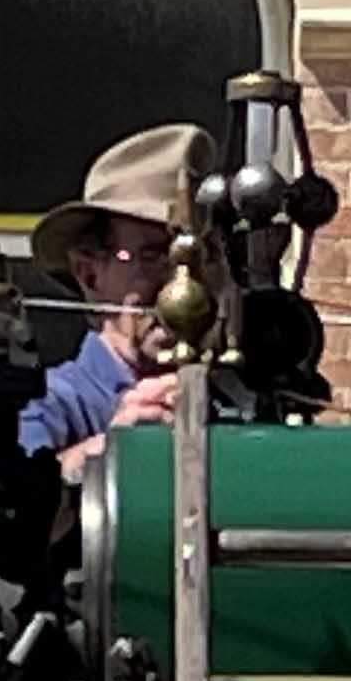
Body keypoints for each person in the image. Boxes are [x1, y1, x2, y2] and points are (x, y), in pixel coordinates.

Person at [19, 122, 221, 484]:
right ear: (90, 275)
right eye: (157, 256)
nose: (184, 283)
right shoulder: (50, 403)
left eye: (203, 258)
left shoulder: (235, 402)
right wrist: (112, 449)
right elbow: (19, 520)